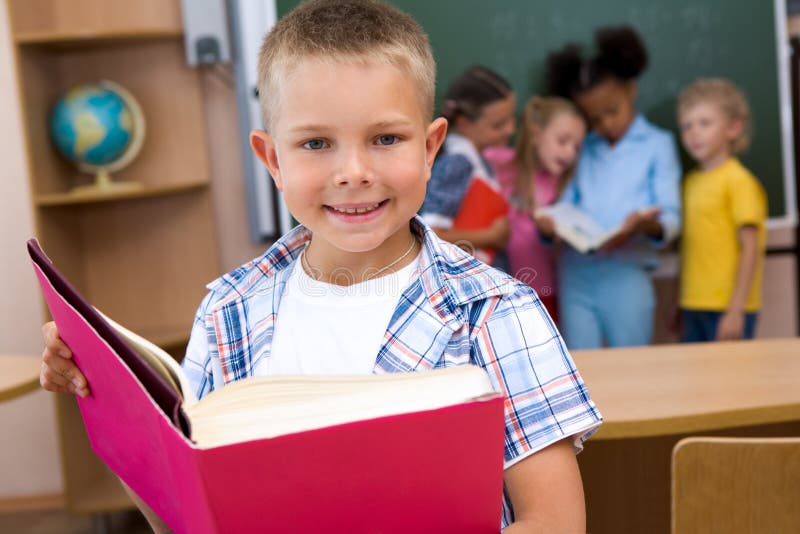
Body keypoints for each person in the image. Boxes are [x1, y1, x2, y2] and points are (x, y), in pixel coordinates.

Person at [39, 1, 602, 531]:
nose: (353, 171)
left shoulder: (495, 311)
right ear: (272, 159)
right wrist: (108, 403)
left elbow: (556, 521)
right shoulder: (228, 311)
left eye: (385, 138)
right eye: (315, 144)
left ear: (430, 150)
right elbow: (181, 513)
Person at [540, 25, 681, 349]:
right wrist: (550, 227)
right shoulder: (583, 147)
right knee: (581, 369)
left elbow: (671, 214)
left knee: (633, 370)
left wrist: (647, 224)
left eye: (612, 111)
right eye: (595, 119)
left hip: (627, 272)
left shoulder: (657, 144)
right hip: (576, 273)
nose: (605, 124)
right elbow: (566, 202)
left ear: (630, 91)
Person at [676, 78, 766, 342]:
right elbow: (688, 248)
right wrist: (676, 301)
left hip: (728, 308)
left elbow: (751, 248)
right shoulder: (690, 183)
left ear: (733, 128)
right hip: (693, 303)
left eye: (704, 123)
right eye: (686, 125)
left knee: (730, 381)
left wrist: (736, 310)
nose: (693, 132)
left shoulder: (739, 181)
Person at [484, 96, 586, 322]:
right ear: (536, 134)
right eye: (562, 141)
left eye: (577, 147)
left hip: (545, 291)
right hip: (498, 288)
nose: (570, 153)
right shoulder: (498, 163)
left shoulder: (563, 188)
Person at [419, 66, 515, 270]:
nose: (510, 129)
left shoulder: (476, 158)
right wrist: (491, 236)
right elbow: (432, 233)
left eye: (511, 118)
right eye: (498, 125)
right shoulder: (458, 163)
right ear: (463, 123)